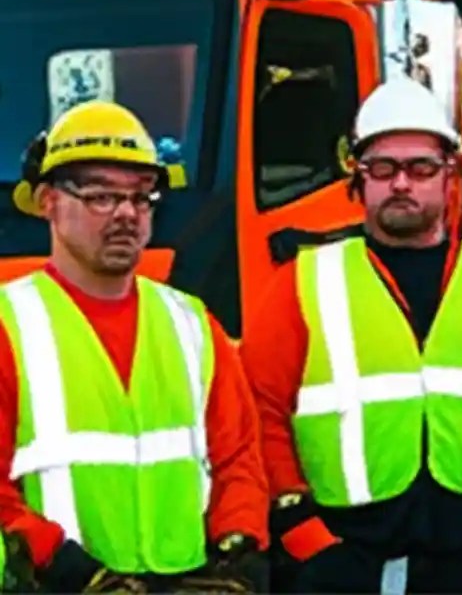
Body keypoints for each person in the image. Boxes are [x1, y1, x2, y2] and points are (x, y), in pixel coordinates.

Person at [240, 78, 462, 593]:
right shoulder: (304, 281)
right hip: (343, 555)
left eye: (420, 168)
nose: (401, 183)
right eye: (382, 168)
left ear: (449, 178)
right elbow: (258, 406)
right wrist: (301, 527)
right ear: (358, 179)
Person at [0, 101, 270, 592]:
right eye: (101, 196)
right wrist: (60, 565)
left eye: (141, 196)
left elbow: (238, 460)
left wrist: (237, 547)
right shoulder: (8, 325)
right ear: (47, 202)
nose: (126, 213)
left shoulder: (192, 324)